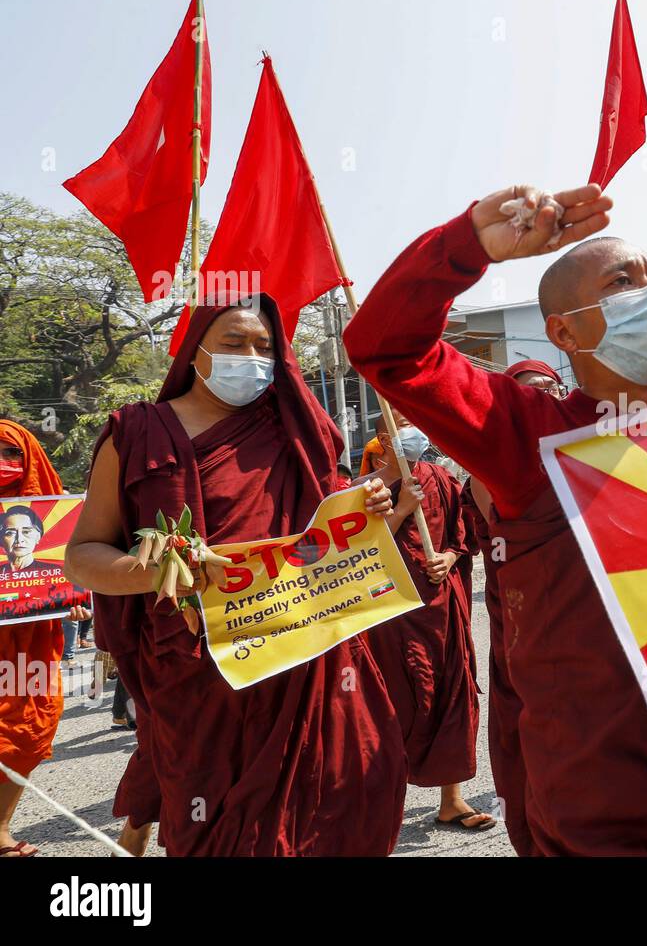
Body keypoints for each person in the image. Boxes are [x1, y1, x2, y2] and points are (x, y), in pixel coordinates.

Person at [345, 183, 647, 856]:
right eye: (624, 284)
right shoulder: (537, 437)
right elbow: (385, 347)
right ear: (563, 330)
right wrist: (469, 245)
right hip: (617, 801)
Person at [65, 293, 408, 857]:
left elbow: (323, 534)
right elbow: (84, 554)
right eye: (233, 343)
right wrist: (161, 573)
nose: (251, 357)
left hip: (302, 656)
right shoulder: (138, 432)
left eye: (265, 348)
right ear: (194, 351)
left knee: (327, 808)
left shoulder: (293, 431)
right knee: (210, 829)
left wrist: (364, 505)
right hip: (196, 672)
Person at [364, 410, 493, 831]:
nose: (412, 432)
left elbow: (462, 534)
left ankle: (452, 801)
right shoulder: (363, 489)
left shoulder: (440, 477)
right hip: (394, 612)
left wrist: (449, 557)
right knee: (398, 699)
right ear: (383, 437)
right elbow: (354, 553)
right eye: (401, 425)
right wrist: (401, 510)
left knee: (454, 692)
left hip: (442, 602)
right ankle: (385, 806)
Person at [458, 358, 564, 854]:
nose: (540, 397)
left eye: (549, 387)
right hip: (526, 623)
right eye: (525, 392)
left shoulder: (586, 445)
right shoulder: (493, 464)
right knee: (540, 735)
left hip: (593, 617)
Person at [0, 420, 88, 857]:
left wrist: (73, 600)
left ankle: (0, 827)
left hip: (32, 642)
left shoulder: (56, 520)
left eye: (11, 453)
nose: (4, 464)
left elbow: (78, 570)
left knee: (25, 733)